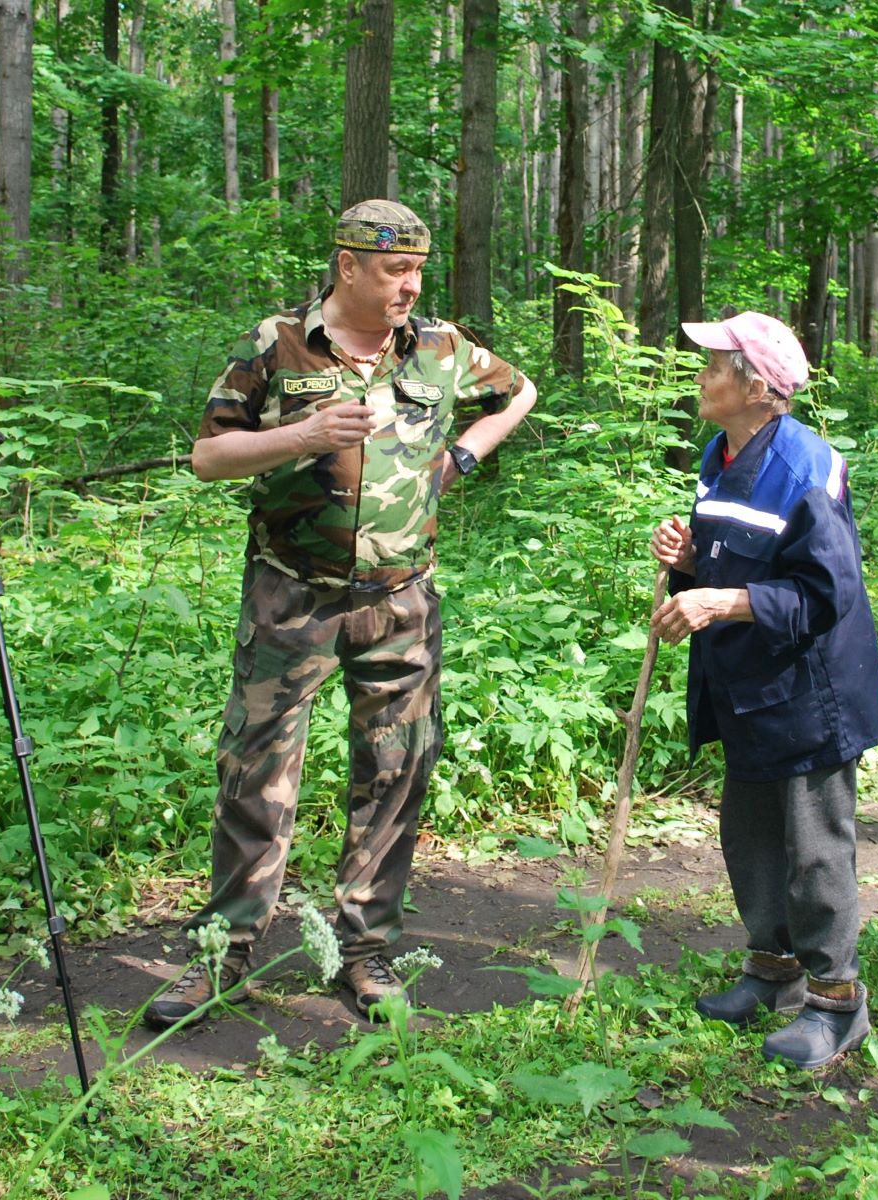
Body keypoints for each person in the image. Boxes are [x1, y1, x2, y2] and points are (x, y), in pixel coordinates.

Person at [149, 200, 538, 1029]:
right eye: (394, 270)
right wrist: (303, 434)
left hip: (400, 599)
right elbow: (208, 455)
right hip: (292, 592)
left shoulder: (441, 348)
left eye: (418, 270)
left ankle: (365, 954)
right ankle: (224, 956)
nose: (410, 285)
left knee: (394, 776)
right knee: (255, 776)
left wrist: (464, 455)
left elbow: (519, 390)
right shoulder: (277, 344)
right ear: (348, 266)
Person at [648, 311, 878, 1070]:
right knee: (750, 837)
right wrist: (689, 561)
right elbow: (733, 555)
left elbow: (828, 593)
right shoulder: (718, 454)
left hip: (806, 693)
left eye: (714, 364)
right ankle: (772, 971)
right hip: (745, 685)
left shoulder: (806, 467)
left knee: (814, 849)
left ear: (755, 387)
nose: (701, 374)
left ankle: (834, 1003)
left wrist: (718, 603)